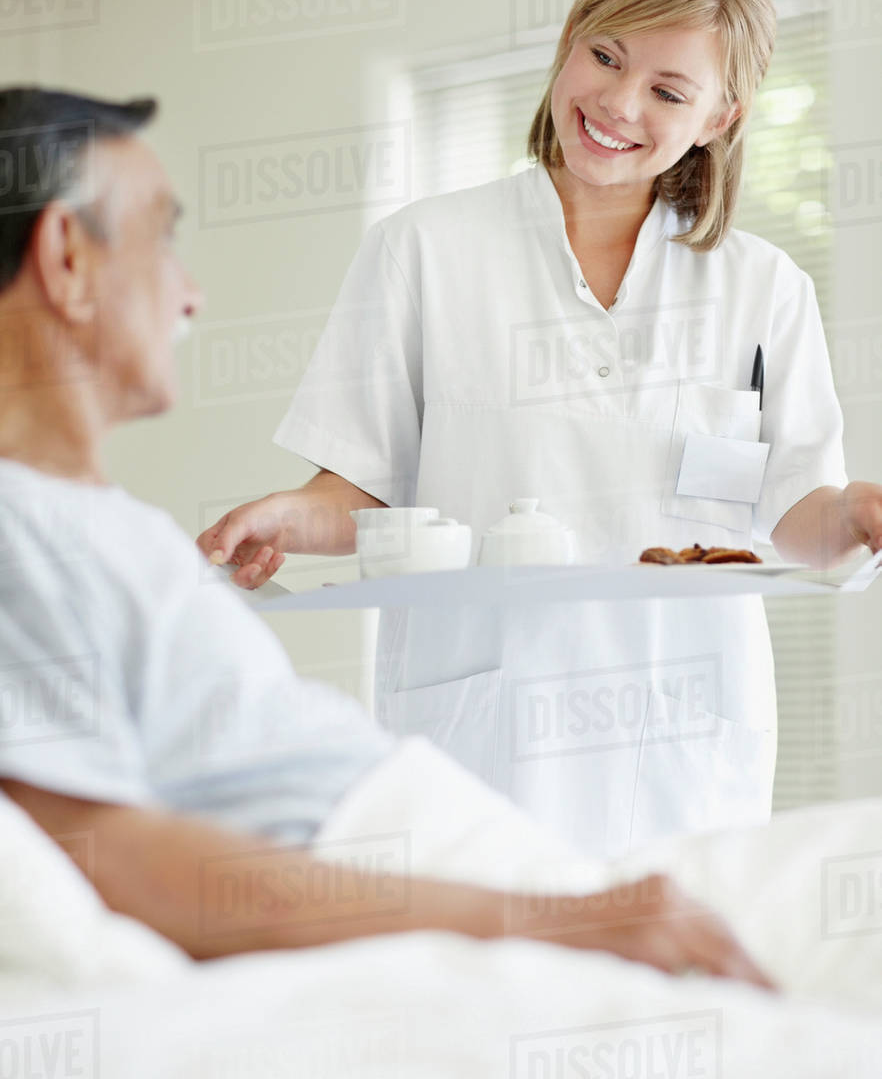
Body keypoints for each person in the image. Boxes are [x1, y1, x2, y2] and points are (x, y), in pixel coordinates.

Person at [0, 85, 770, 985]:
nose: (193, 295)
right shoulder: (24, 529)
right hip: (439, 893)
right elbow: (106, 858)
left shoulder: (104, 527)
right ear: (63, 254)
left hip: (465, 859)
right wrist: (542, 921)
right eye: (163, 238)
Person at [198, 0, 882, 856]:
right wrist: (289, 514)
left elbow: (795, 511)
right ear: (571, 40)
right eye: (605, 56)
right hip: (484, 738)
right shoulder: (426, 253)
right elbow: (364, 491)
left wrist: (855, 514)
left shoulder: (764, 289)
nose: (616, 102)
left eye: (669, 92)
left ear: (721, 119)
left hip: (684, 746)